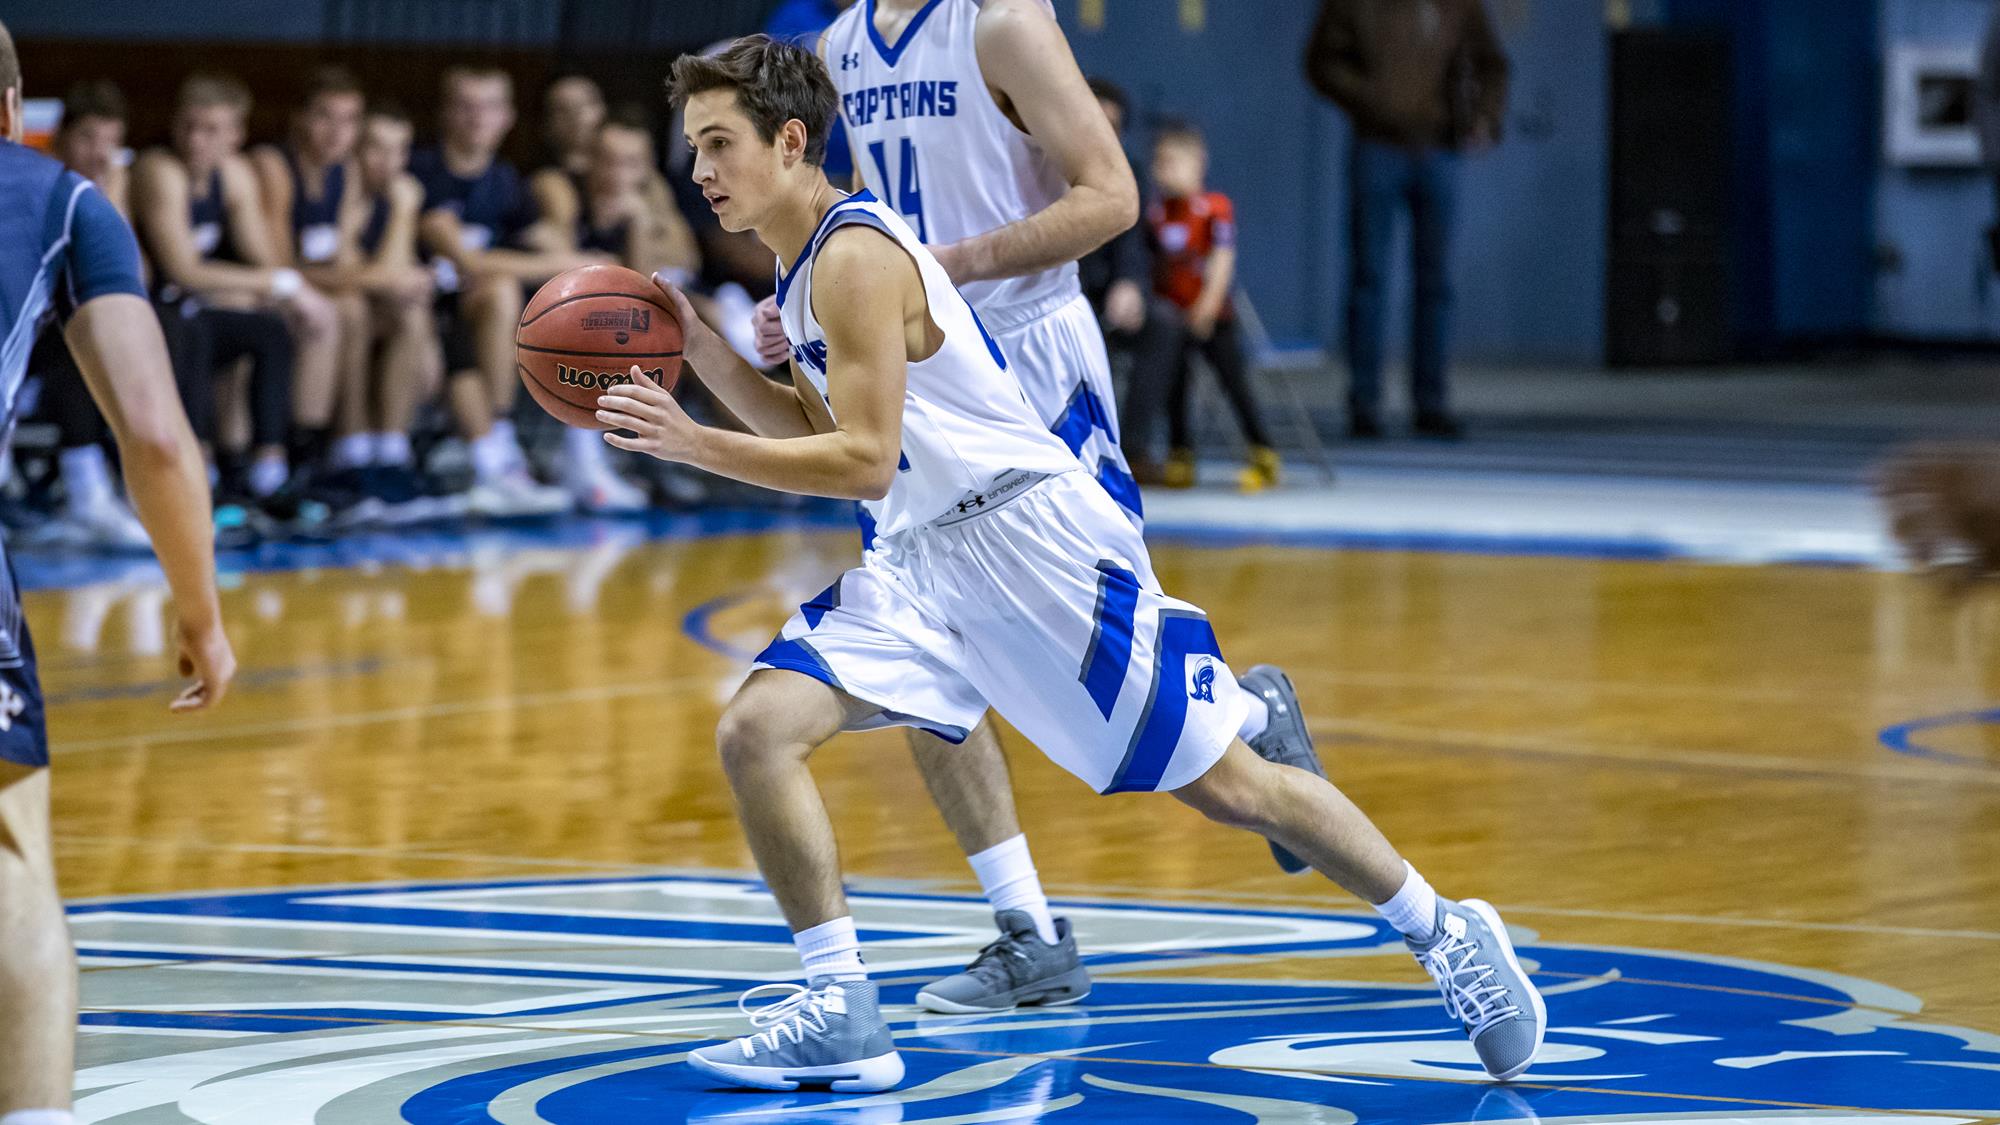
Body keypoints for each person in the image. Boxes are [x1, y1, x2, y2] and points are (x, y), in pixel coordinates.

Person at [611, 36, 1545, 1092]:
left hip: (1031, 554)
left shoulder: (856, 258)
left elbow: (861, 462)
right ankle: (840, 1007)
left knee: (1234, 791)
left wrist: (692, 443)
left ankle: (1442, 930)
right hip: (924, 561)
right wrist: (701, 353)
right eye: (693, 147)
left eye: (718, 144)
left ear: (789, 141)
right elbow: (816, 425)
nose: (699, 172)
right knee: (756, 731)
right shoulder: (800, 259)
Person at [794, 0, 1334, 1014]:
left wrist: (946, 269)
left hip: (1033, 357)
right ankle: (1028, 930)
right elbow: (862, 214)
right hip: (926, 382)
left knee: (1109, 645)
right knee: (923, 649)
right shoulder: (838, 47)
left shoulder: (998, 22)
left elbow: (1111, 196)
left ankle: (1251, 719)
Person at [0, 21, 236, 1122]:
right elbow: (153, 432)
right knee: (10, 873)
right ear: (15, 112)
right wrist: (200, 610)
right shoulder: (57, 198)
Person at [1305, 0, 1509, 440]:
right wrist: (1371, 99)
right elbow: (1321, 62)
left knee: (1435, 283)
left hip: (1439, 149)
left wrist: (1484, 118)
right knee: (1368, 279)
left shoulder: (1459, 5)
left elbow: (1493, 63)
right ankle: (1364, 402)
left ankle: (1431, 402)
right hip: (1377, 147)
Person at [133, 74, 335, 505]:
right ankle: (199, 472)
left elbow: (263, 259)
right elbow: (182, 270)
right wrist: (283, 284)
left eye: (210, 130)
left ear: (235, 135)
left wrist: (277, 290)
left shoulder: (235, 175)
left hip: (197, 304)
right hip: (153, 314)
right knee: (197, 329)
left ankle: (268, 470)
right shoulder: (159, 170)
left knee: (271, 329)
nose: (195, 140)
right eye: (187, 126)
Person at [409, 66, 602, 515]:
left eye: (490, 107)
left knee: (558, 302)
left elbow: (557, 248)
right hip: (420, 307)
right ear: (445, 113)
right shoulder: (421, 171)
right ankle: (495, 445)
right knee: (499, 289)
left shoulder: (506, 182)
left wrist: (590, 266)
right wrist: (550, 262)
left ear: (507, 117)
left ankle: (533, 453)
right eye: (466, 106)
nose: (478, 118)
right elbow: (467, 261)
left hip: (472, 314)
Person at [36, 79, 149, 548]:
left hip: (69, 328)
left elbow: (136, 280)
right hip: (25, 331)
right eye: (88, 139)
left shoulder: (105, 194)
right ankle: (85, 492)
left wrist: (113, 202)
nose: (101, 156)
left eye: (111, 144)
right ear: (61, 139)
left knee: (161, 330)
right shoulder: (38, 187)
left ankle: (144, 484)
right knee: (82, 336)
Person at [1148, 119, 1279, 491]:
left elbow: (1222, 260)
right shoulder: (1157, 213)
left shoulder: (1214, 208)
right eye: (1157, 162)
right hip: (1174, 321)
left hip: (1213, 318)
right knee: (1176, 386)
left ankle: (1263, 454)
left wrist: (1206, 307)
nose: (1162, 170)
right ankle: (1180, 455)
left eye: (1171, 161)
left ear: (1197, 163)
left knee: (1234, 384)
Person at [1079, 77, 1179, 486]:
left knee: (1165, 323)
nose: (1104, 136)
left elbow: (1133, 243)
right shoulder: (1043, 167)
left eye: (1113, 127)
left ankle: (1132, 449)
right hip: (1057, 300)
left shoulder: (1128, 172)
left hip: (1106, 298)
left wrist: (1130, 284)